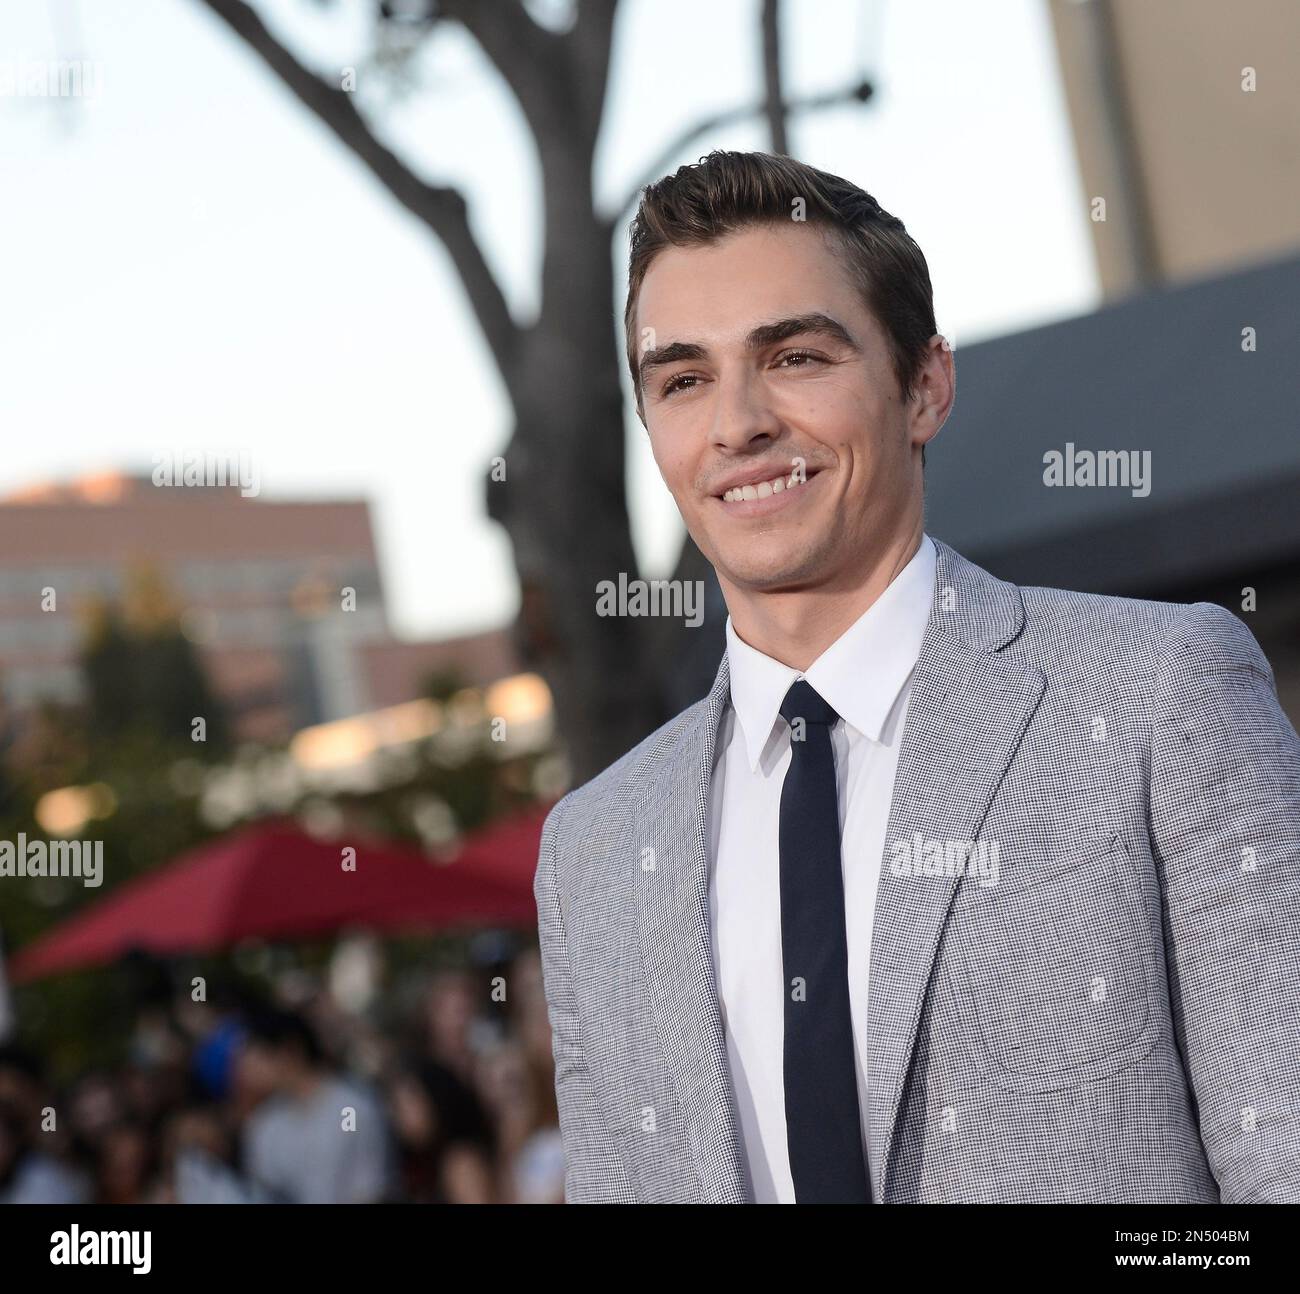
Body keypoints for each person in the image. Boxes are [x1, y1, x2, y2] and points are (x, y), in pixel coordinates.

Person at [533, 150, 1300, 1204]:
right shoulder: (593, 851)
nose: (737, 422)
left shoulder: (1157, 697)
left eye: (795, 356)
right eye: (681, 379)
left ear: (924, 387)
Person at [237, 1006, 393, 1204]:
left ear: (289, 1051)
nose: (247, 1069)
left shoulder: (353, 1107)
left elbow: (371, 1189)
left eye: (257, 1057)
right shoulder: (264, 1125)